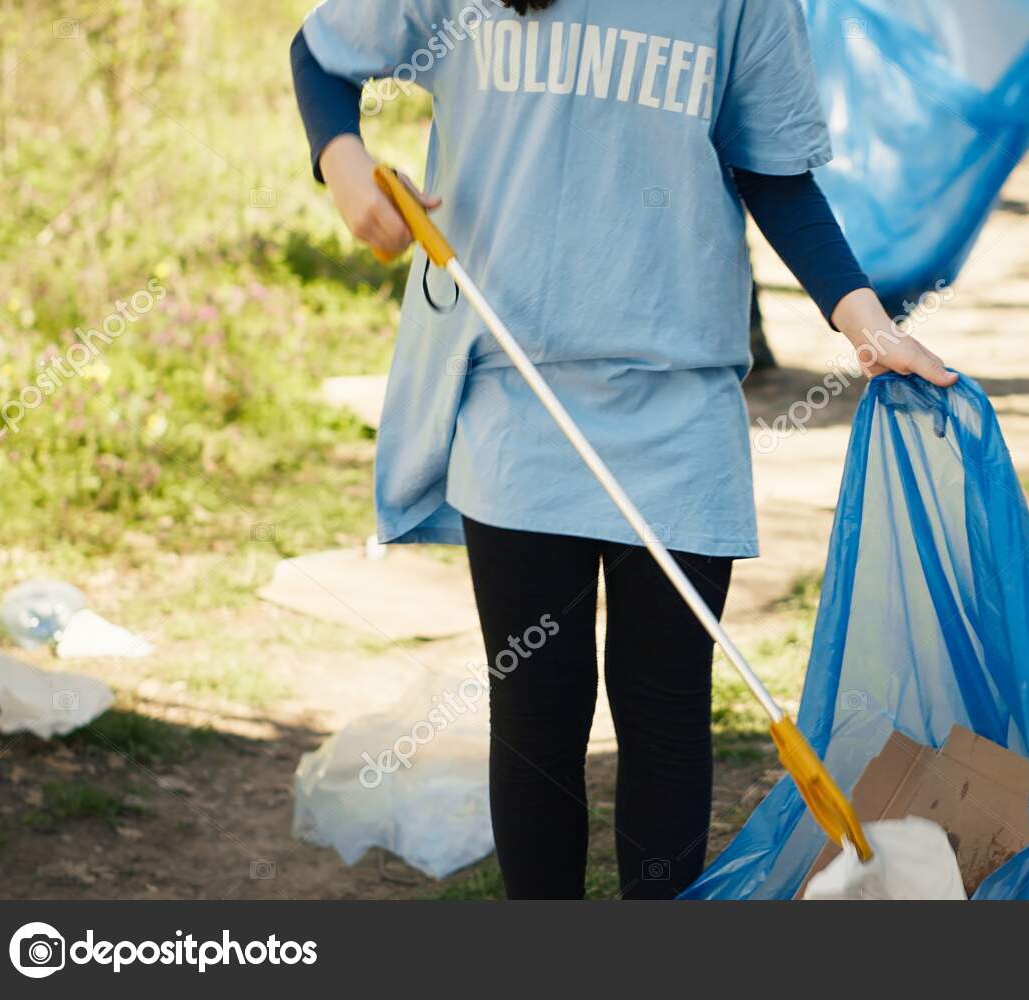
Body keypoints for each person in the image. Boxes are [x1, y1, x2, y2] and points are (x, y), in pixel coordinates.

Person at [290, 0, 955, 900]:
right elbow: (321, 54)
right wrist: (344, 165)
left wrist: (867, 325)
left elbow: (775, 176)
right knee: (539, 708)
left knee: (666, 707)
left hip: (682, 402)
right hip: (516, 390)